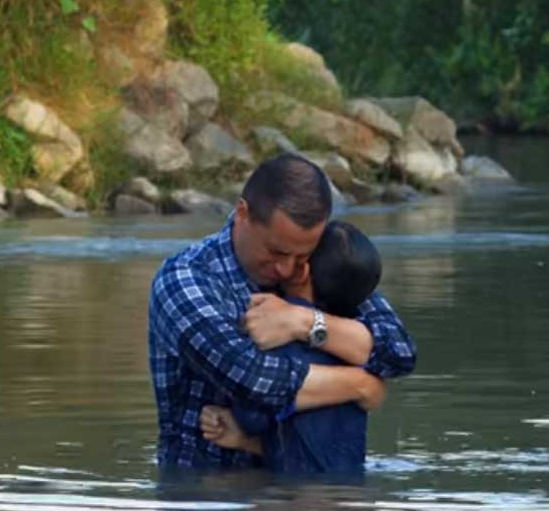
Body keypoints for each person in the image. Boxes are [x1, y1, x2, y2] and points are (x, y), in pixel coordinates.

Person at [148, 154, 416, 471]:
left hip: (308, 481)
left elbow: (399, 352)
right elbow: (254, 381)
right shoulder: (185, 280)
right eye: (276, 252)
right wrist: (362, 384)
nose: (287, 268)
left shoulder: (319, 263)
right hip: (205, 493)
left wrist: (304, 322)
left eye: (301, 255)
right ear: (242, 214)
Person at [199, 220, 383, 475]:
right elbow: (321, 447)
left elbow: (254, 414)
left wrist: (236, 423)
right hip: (350, 486)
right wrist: (245, 442)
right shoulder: (356, 345)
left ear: (300, 271)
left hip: (301, 499)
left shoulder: (280, 337)